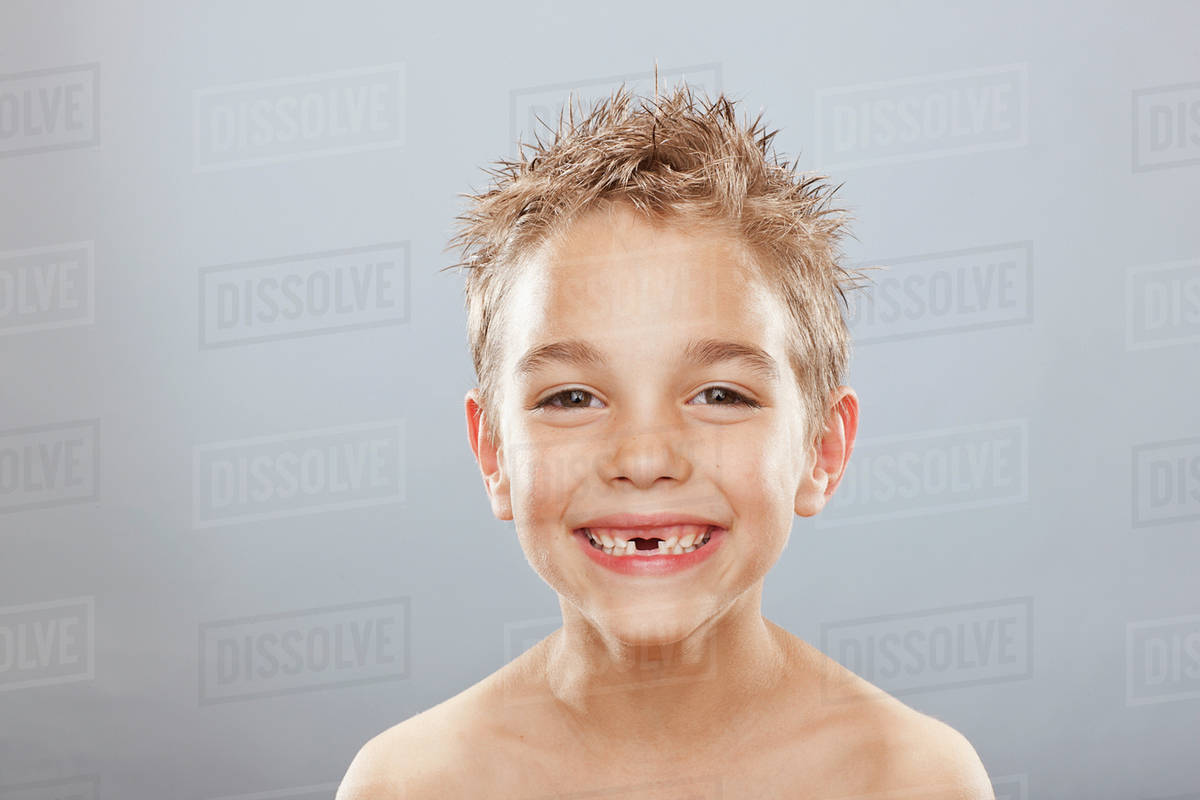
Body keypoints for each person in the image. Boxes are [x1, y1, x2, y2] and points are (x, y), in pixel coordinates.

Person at [337, 79, 994, 800]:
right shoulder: (408, 784)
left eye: (720, 395)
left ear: (822, 451)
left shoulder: (911, 778)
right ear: (494, 454)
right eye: (571, 398)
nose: (645, 459)